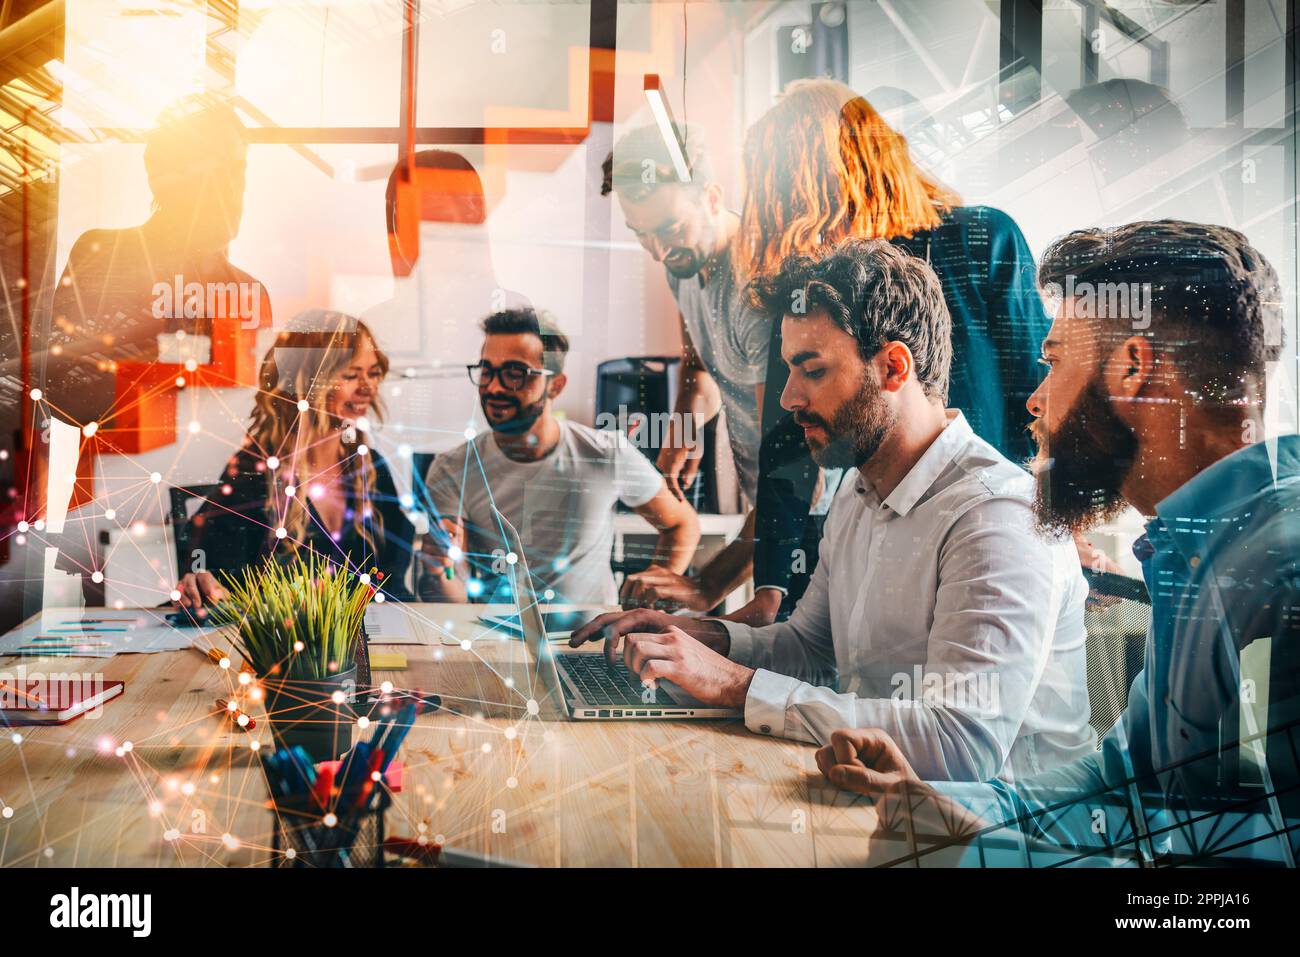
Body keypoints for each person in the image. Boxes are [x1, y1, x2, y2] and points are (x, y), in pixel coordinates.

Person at [815, 220, 1299, 867]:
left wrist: (976, 852)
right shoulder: (1196, 548)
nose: (1035, 402)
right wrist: (934, 800)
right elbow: (1122, 784)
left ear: (1132, 369)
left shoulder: (1279, 578)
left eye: (1054, 361)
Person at [570, 240, 1094, 781]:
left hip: (1006, 835)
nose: (788, 398)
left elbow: (960, 743)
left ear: (894, 367)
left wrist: (731, 684)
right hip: (889, 805)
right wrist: (699, 637)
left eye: (812, 370)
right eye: (788, 370)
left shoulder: (996, 516)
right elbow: (811, 647)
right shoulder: (857, 491)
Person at [626, 78, 1058, 625]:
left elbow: (1040, 391)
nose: (775, 211)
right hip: (873, 531)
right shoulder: (815, 279)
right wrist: (773, 583)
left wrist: (1058, 518)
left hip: (986, 530)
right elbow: (786, 441)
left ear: (839, 171)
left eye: (783, 187)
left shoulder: (980, 239)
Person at [416, 308, 699, 606]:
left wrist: (652, 597)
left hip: (595, 641)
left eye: (515, 373)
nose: (494, 387)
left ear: (556, 385)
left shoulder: (606, 453)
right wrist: (437, 571)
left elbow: (683, 524)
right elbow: (453, 600)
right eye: (487, 371)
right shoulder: (453, 468)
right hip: (498, 642)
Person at [601, 125, 767, 611]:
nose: (657, 251)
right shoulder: (685, 265)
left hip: (814, 529)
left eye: (669, 229)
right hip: (775, 516)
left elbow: (797, 479)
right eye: (640, 234)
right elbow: (699, 367)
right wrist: (684, 426)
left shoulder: (761, 290)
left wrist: (707, 586)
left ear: (712, 197)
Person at [173, 311, 414, 611]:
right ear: (307, 384)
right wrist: (200, 584)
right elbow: (213, 581)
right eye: (351, 375)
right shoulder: (252, 473)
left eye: (374, 372)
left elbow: (393, 587)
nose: (368, 387)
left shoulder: (369, 467)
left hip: (370, 646)